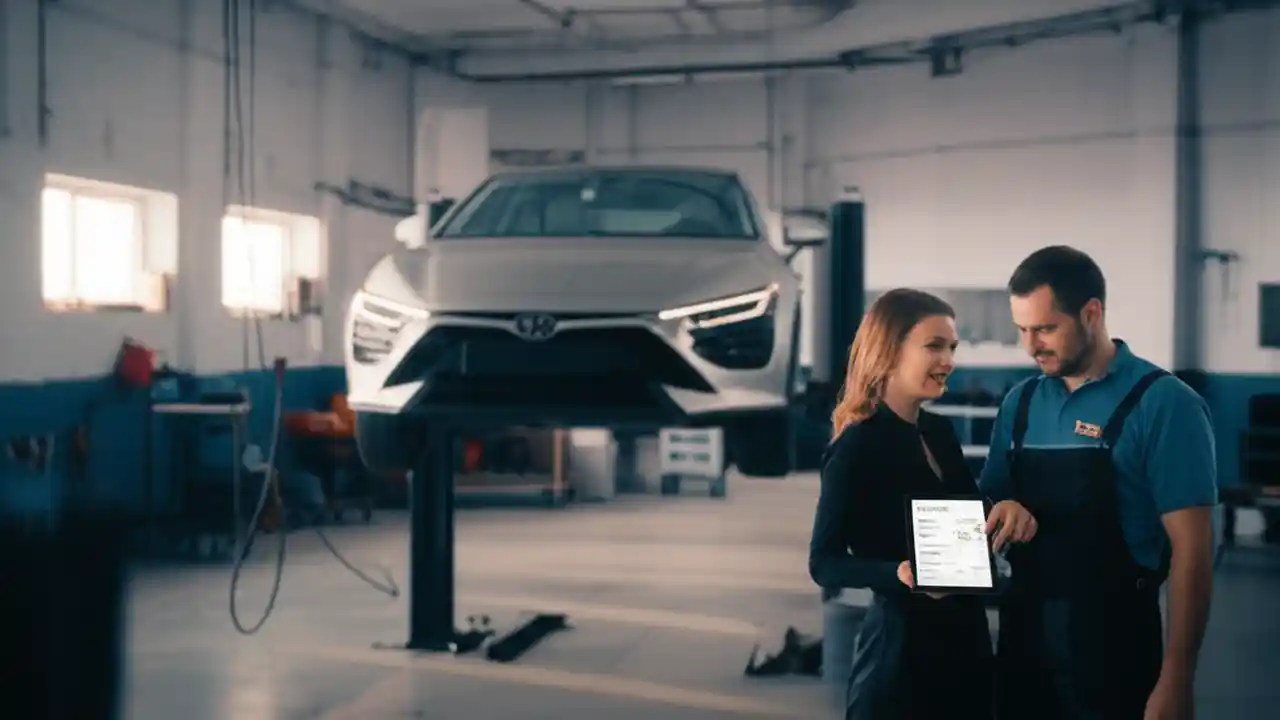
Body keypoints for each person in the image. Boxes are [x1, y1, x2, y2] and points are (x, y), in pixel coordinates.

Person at [980, 246, 1217, 719]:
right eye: (1022, 330)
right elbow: (987, 502)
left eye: (1045, 329)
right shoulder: (1019, 403)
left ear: (1091, 314)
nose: (1031, 346)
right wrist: (1001, 505)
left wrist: (1177, 680)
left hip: (1117, 651)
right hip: (1023, 644)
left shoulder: (1165, 404)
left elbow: (1193, 554)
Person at [809, 288, 996, 720]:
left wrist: (1000, 514)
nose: (948, 360)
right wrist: (897, 573)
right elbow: (824, 562)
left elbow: (967, 515)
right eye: (934, 346)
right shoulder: (856, 446)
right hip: (902, 656)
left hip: (968, 646)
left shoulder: (940, 433)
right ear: (889, 351)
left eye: (952, 347)